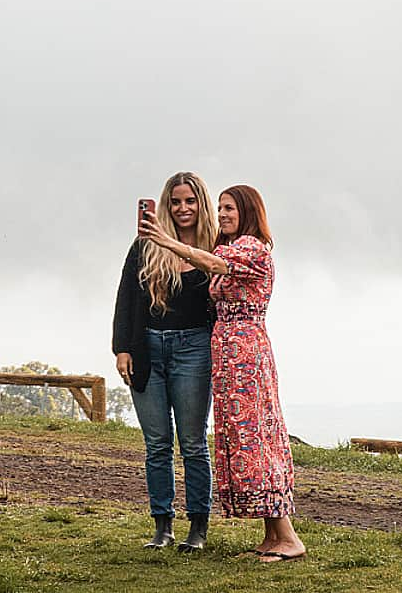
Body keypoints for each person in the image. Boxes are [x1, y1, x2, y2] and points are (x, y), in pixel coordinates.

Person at [139, 184, 306, 562]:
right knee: (241, 437)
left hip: (246, 352)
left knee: (258, 438)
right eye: (220, 207)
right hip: (228, 354)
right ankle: (271, 536)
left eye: (229, 208)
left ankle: (289, 537)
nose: (223, 213)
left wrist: (166, 240)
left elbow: (211, 264)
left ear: (246, 211)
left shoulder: (252, 249)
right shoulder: (231, 247)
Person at [112, 171, 218, 552]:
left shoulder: (215, 247)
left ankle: (198, 528)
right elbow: (125, 297)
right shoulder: (145, 246)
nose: (183, 208)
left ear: (201, 204)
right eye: (175, 202)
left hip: (194, 349)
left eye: (190, 201)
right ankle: (162, 526)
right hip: (147, 348)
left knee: (192, 442)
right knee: (156, 443)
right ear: (166, 205)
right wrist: (121, 348)